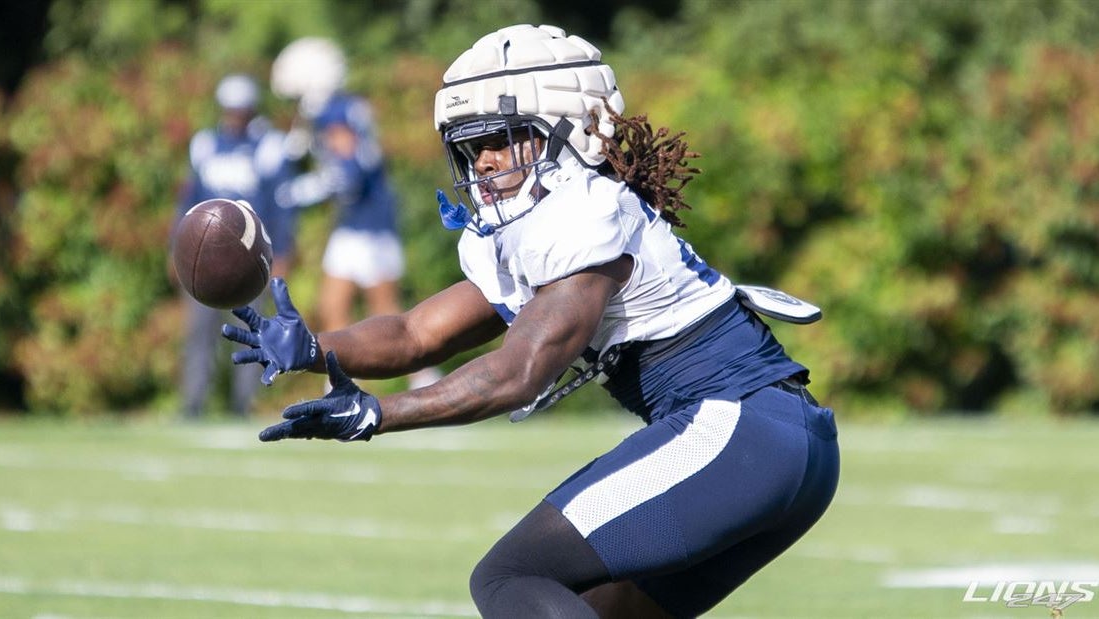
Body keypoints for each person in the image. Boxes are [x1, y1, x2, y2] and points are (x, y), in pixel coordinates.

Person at [223, 24, 839, 618]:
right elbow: (416, 334)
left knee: (511, 577)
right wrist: (313, 347)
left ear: (571, 130)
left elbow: (518, 371)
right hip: (776, 443)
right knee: (590, 607)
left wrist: (379, 414)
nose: (484, 161)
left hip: (739, 430)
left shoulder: (585, 211)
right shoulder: (542, 224)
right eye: (471, 144)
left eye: (502, 138)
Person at [269, 37, 441, 389]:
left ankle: (423, 377)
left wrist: (306, 189)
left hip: (371, 224)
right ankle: (339, 378)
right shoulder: (341, 111)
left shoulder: (338, 114)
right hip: (352, 224)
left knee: (386, 311)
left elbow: (348, 175)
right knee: (332, 303)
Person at [172, 73, 293, 419]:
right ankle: (192, 403)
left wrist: (281, 250)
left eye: (242, 110)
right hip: (202, 254)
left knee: (252, 332)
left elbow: (281, 204)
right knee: (198, 332)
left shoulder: (269, 146)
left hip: (249, 255)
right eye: (231, 110)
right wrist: (176, 248)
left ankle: (244, 403)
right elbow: (188, 201)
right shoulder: (206, 144)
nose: (236, 117)